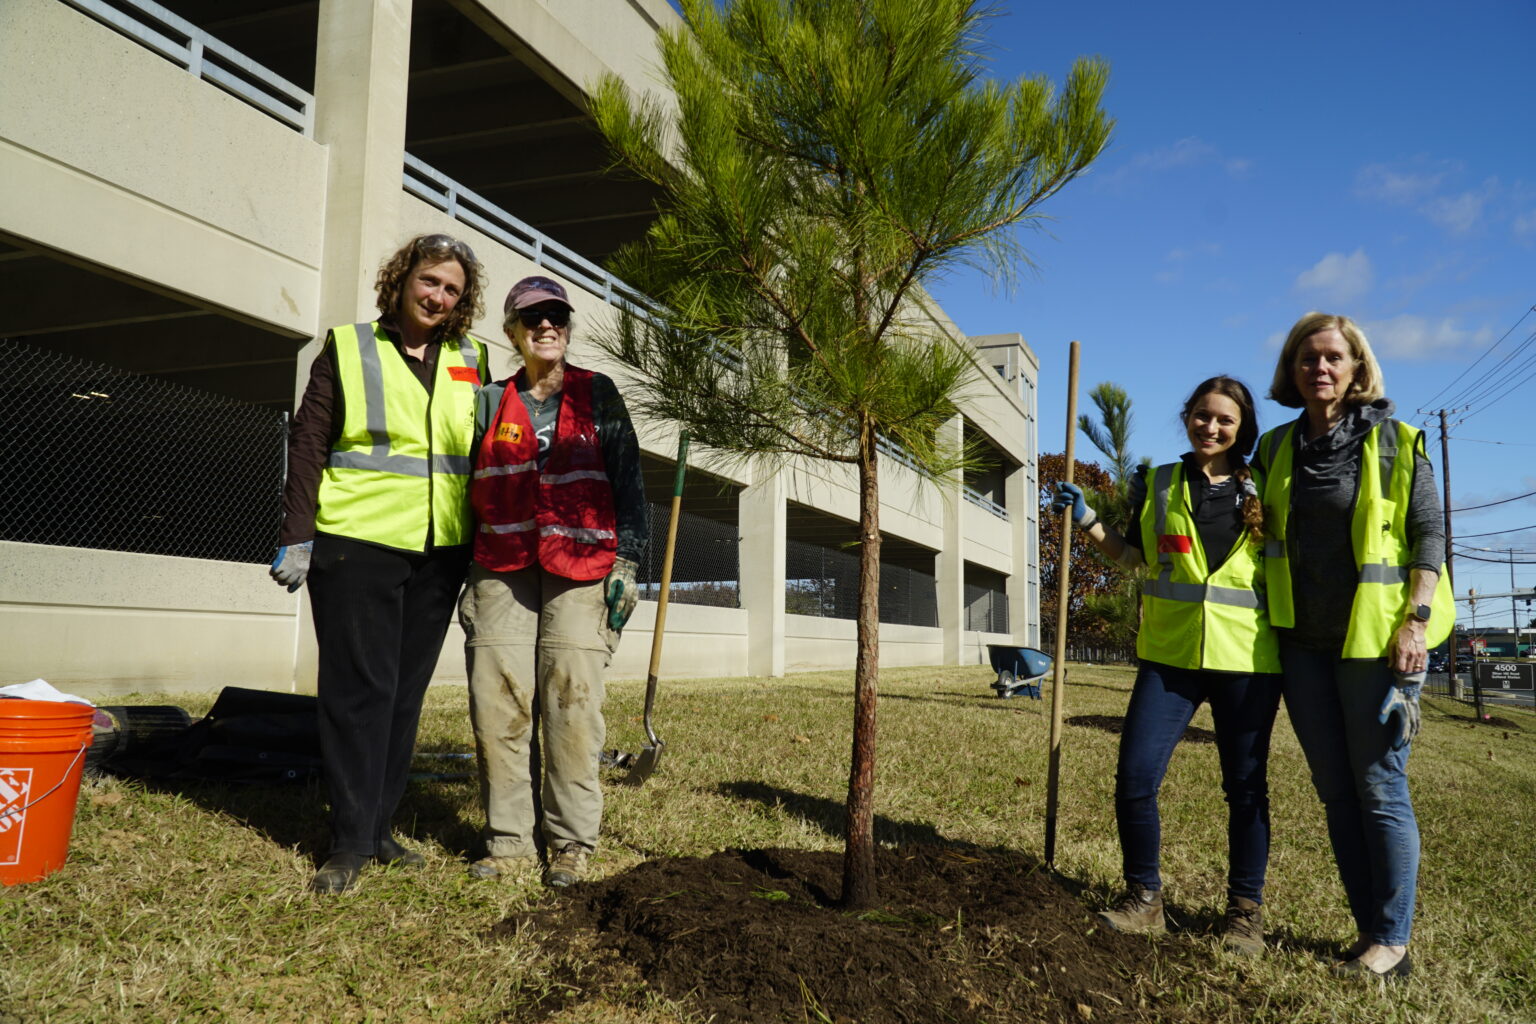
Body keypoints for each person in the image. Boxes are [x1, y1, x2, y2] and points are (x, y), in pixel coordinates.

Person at [269, 233, 489, 894]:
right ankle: (348, 840)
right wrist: (297, 533)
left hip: (440, 550)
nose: (437, 296)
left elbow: (484, 455)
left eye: (451, 289)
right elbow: (309, 442)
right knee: (357, 693)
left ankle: (380, 828)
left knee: (401, 695)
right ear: (402, 280)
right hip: (355, 541)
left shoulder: (471, 358)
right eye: (429, 281)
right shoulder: (347, 347)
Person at [1253, 312, 1453, 979]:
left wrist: (1416, 621)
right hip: (1302, 648)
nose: (1321, 369)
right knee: (1336, 791)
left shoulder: (1395, 441)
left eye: (1334, 357)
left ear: (1358, 368)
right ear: (1292, 370)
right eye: (1308, 358)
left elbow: (1429, 534)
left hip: (1377, 646)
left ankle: (1393, 940)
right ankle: (1370, 929)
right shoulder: (1275, 448)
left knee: (1379, 785)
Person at [1054, 376, 1282, 956]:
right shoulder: (1158, 484)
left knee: (1245, 789)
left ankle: (1244, 915)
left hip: (1248, 661)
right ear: (1188, 418)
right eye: (1202, 415)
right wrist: (1086, 520)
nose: (1211, 427)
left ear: (1241, 429)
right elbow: (1132, 556)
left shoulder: (1268, 489)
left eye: (1224, 420)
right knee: (1135, 778)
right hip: (1169, 658)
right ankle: (1144, 899)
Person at [459, 275, 647, 888]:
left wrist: (630, 563)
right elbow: (467, 487)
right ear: (512, 330)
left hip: (583, 567)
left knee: (572, 701)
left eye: (557, 317)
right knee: (499, 700)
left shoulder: (600, 394)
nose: (547, 326)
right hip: (500, 565)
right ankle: (510, 840)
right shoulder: (489, 399)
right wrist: (465, 574)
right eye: (533, 317)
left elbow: (629, 481)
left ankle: (570, 844)